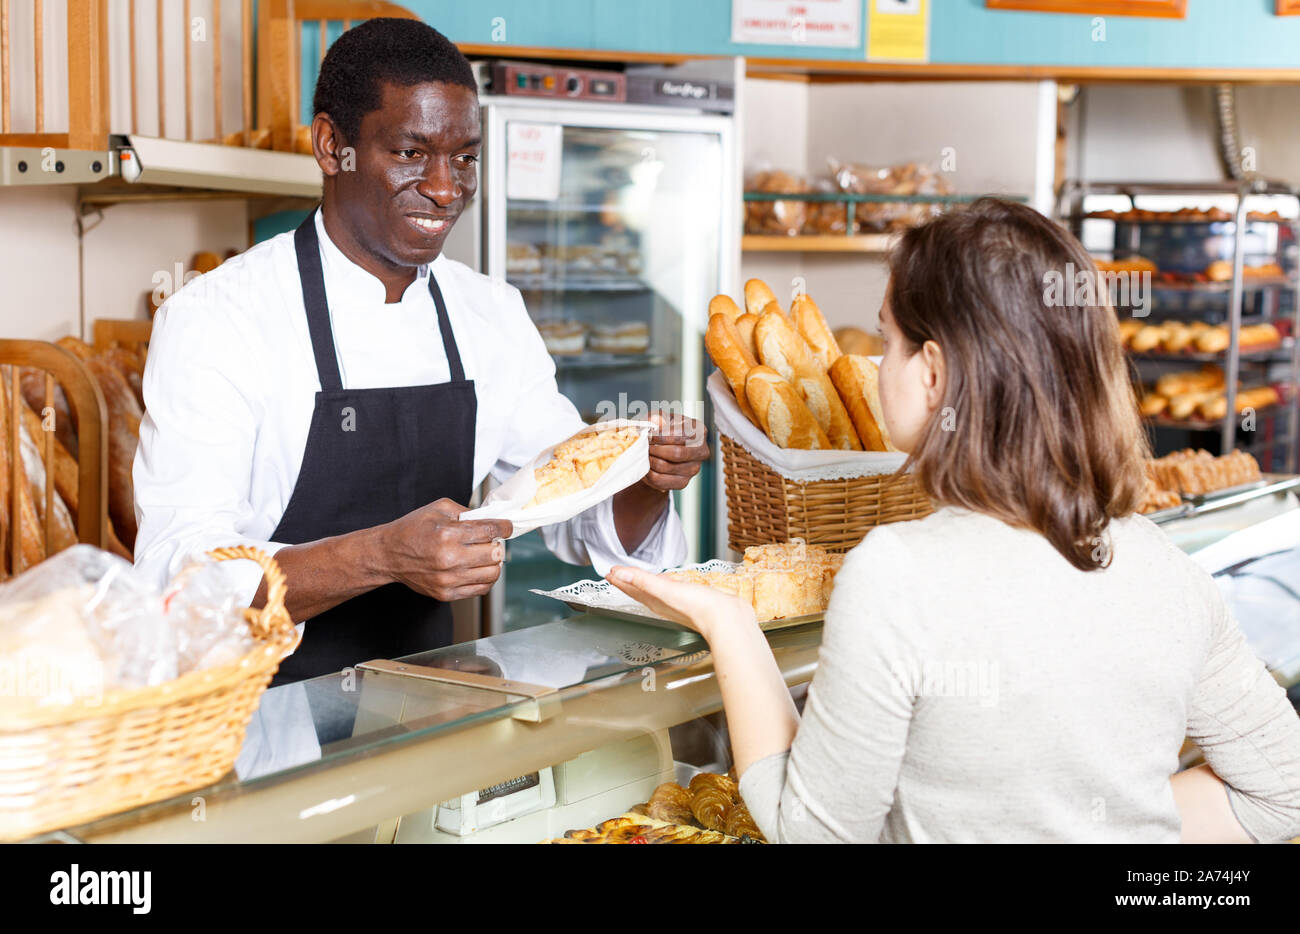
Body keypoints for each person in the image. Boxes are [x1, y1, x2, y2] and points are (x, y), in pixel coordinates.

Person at [610, 198, 1300, 843]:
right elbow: (1283, 793)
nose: (879, 368)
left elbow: (815, 833)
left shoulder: (897, 569)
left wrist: (728, 624)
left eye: (890, 342)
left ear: (933, 373)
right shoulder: (1157, 562)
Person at [133, 19, 709, 685]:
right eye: (411, 154)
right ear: (331, 147)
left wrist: (638, 475)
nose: (445, 188)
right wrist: (381, 555)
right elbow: (179, 577)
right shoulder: (218, 320)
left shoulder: (488, 313)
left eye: (464, 157)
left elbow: (569, 509)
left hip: (424, 713)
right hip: (255, 726)